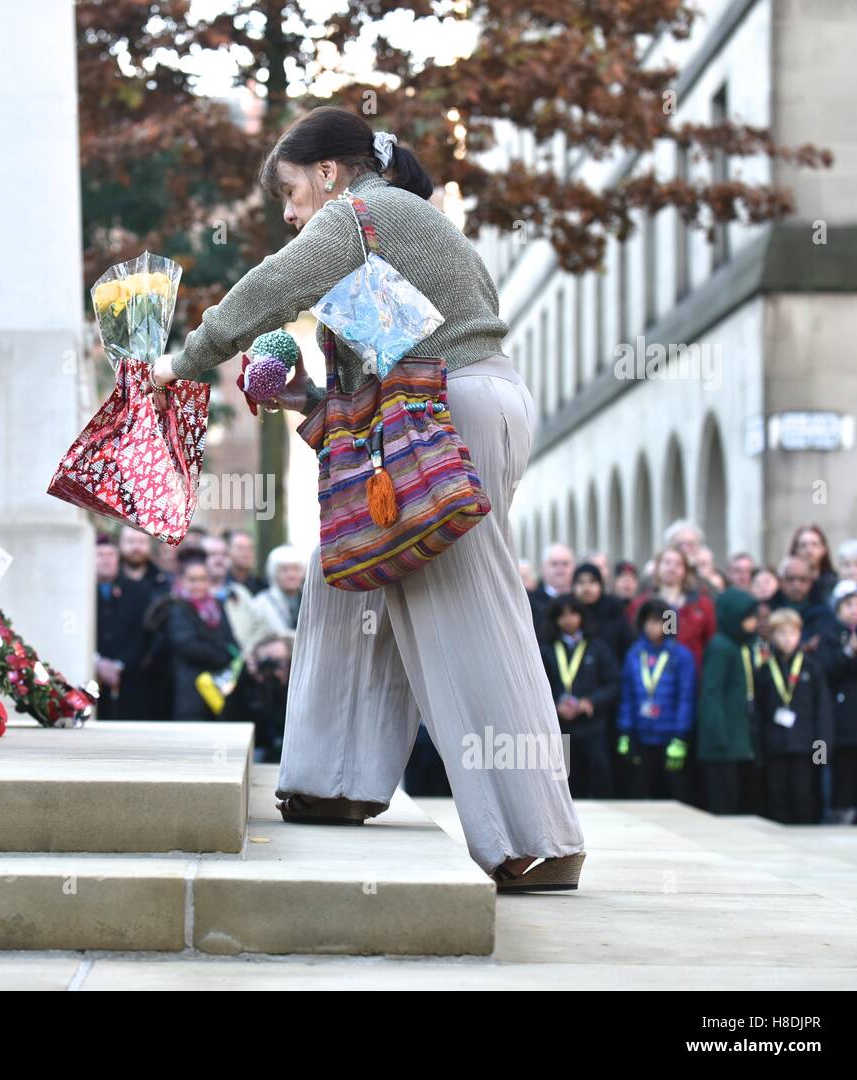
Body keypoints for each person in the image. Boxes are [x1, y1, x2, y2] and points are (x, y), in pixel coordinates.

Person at [145, 105, 585, 888]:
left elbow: (273, 286)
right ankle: (333, 783)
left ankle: (538, 838)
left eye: (288, 193)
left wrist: (185, 362)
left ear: (329, 171)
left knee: (463, 609)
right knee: (344, 575)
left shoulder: (365, 210)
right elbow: (371, 386)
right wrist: (299, 395)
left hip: (454, 409)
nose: (286, 214)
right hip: (453, 407)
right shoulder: (387, 230)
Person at [756, 608, 833, 824]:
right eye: (781, 633)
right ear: (771, 636)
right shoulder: (765, 669)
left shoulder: (812, 667)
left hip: (805, 745)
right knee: (776, 792)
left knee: (803, 792)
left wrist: (822, 752)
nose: (787, 639)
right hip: (774, 744)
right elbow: (759, 712)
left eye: (792, 633)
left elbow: (822, 711)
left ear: (800, 634)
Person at [617, 599, 697, 801]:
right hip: (641, 735)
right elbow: (627, 695)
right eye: (649, 621)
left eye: (659, 621)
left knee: (676, 794)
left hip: (670, 736)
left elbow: (686, 698)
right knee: (638, 793)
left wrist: (681, 736)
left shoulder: (680, 655)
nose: (653, 627)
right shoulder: (635, 654)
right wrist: (625, 731)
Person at [540, 596, 619, 799]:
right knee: (561, 777)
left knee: (599, 770)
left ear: (582, 616)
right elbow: (537, 685)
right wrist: (554, 706)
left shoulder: (597, 647)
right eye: (562, 615)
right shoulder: (546, 650)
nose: (568, 620)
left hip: (592, 724)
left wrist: (590, 702)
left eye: (573, 613)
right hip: (558, 725)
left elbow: (613, 683)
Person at [695, 587, 762, 815]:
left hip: (738, 735)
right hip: (723, 739)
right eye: (749, 618)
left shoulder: (742, 644)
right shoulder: (721, 646)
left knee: (738, 795)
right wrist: (717, 733)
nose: (754, 623)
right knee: (724, 796)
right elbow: (711, 692)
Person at [94, 530, 173, 721]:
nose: (106, 560)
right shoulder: (79, 590)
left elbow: (144, 635)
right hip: (93, 680)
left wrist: (119, 665)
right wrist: (97, 662)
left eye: (111, 555)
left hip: (130, 681)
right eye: (100, 555)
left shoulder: (140, 591)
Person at [160, 550, 241, 721]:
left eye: (203, 579)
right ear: (182, 581)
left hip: (218, 687)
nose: (198, 585)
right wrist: (222, 655)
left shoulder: (217, 606)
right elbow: (188, 646)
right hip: (190, 691)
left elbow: (230, 639)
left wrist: (231, 654)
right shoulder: (177, 608)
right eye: (192, 580)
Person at [817, 581, 857, 824]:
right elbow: (827, 670)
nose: (854, 609)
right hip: (841, 719)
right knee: (843, 770)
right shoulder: (830, 635)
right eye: (848, 604)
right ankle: (840, 813)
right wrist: (849, 651)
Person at [627, 544, 717, 674]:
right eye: (667, 562)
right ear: (658, 567)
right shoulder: (641, 604)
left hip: (691, 675)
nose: (672, 568)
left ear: (685, 570)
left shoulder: (702, 605)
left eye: (678, 564)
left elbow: (710, 642)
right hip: (650, 677)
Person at [220, 630, 295, 763]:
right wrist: (245, 680)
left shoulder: (297, 689)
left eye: (278, 662)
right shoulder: (249, 686)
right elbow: (227, 723)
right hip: (255, 753)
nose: (272, 668)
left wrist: (283, 686)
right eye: (267, 661)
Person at [528, 543, 576, 646]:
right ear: (542, 568)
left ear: (574, 567)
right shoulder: (530, 601)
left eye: (565, 564)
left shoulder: (581, 600)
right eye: (554, 564)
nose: (560, 569)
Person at [251, 543, 306, 632]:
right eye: (285, 570)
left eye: (296, 569)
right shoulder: (261, 604)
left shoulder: (311, 599)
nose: (291, 575)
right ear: (274, 573)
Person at [789, 524, 839, 606]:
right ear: (795, 550)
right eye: (803, 545)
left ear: (823, 549)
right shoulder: (786, 585)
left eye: (814, 544)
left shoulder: (834, 585)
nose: (809, 550)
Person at [224, 529, 268, 595]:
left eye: (250, 548)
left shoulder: (262, 587)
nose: (246, 552)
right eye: (240, 548)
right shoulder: (220, 584)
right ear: (228, 552)